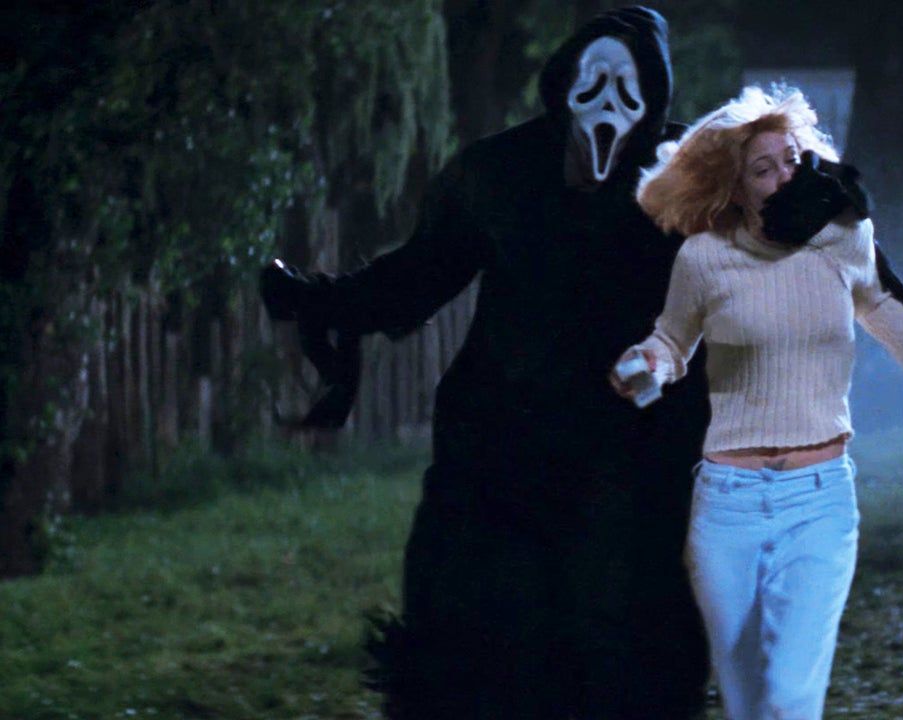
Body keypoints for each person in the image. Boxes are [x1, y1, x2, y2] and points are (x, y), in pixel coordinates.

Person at [261, 7, 712, 719]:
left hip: (631, 450)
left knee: (617, 629)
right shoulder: (498, 173)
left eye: (627, 86)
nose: (606, 103)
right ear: (562, 82)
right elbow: (421, 273)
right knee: (486, 626)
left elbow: (755, 262)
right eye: (592, 80)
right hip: (502, 439)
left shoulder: (692, 179)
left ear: (653, 93)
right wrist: (325, 301)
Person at [610, 86, 903, 720]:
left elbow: (880, 306)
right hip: (726, 506)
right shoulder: (704, 258)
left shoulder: (843, 240)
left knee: (787, 699)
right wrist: (644, 367)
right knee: (748, 703)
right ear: (734, 188)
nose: (785, 176)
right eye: (763, 169)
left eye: (792, 159)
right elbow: (672, 341)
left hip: (818, 501)